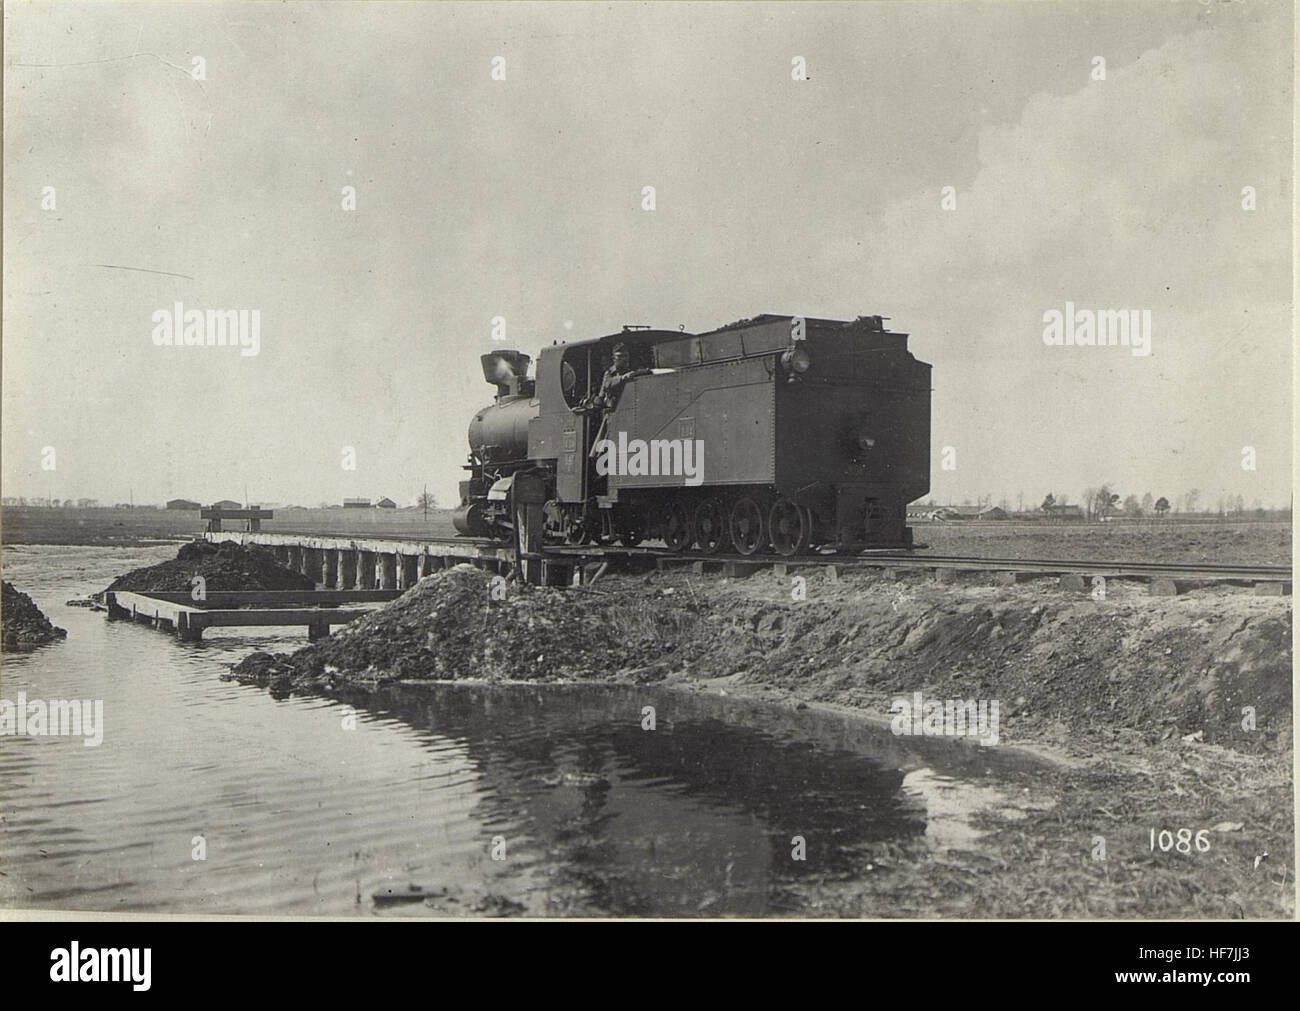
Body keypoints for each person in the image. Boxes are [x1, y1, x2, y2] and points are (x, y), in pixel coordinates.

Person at [587, 343, 651, 454]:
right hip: (612, 412)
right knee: (603, 447)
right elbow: (608, 384)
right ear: (614, 358)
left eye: (626, 356)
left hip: (629, 409)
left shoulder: (631, 370)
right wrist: (623, 378)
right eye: (620, 356)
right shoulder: (609, 373)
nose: (624, 359)